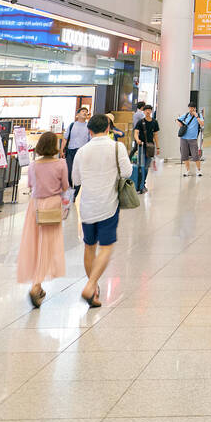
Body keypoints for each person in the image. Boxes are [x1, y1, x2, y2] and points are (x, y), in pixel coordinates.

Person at [71, 113, 132, 306]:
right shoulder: (117, 147)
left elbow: (76, 180)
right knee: (106, 247)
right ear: (108, 128)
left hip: (87, 206)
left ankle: (94, 290)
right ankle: (90, 286)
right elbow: (127, 172)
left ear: (89, 130)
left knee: (89, 246)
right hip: (108, 205)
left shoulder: (82, 151)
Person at [17, 131, 69, 309]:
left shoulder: (33, 166)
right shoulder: (61, 164)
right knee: (48, 245)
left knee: (34, 244)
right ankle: (36, 285)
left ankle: (36, 283)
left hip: (35, 206)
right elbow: (65, 186)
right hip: (52, 205)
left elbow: (30, 185)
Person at [61, 106, 90, 197]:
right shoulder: (72, 125)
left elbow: (90, 141)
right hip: (70, 151)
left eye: (86, 112)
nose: (85, 113)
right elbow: (65, 138)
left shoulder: (89, 126)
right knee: (69, 172)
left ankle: (76, 194)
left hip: (82, 152)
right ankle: (70, 191)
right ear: (77, 115)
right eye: (83, 111)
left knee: (79, 173)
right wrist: (61, 150)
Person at [133, 105, 159, 193]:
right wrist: (137, 140)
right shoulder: (140, 122)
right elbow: (136, 132)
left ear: (151, 111)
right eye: (146, 110)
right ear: (144, 112)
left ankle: (142, 184)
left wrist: (158, 147)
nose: (148, 112)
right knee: (141, 165)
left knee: (146, 167)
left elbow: (156, 135)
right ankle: (140, 185)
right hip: (141, 147)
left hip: (150, 147)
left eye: (149, 110)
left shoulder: (154, 122)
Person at [178, 103, 203, 178]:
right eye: (190, 108)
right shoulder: (186, 115)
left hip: (193, 138)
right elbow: (178, 120)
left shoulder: (199, 115)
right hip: (183, 138)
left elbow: (202, 124)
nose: (191, 109)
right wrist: (180, 124)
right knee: (184, 155)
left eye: (192, 108)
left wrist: (196, 116)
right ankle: (188, 170)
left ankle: (199, 170)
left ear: (195, 108)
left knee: (195, 155)